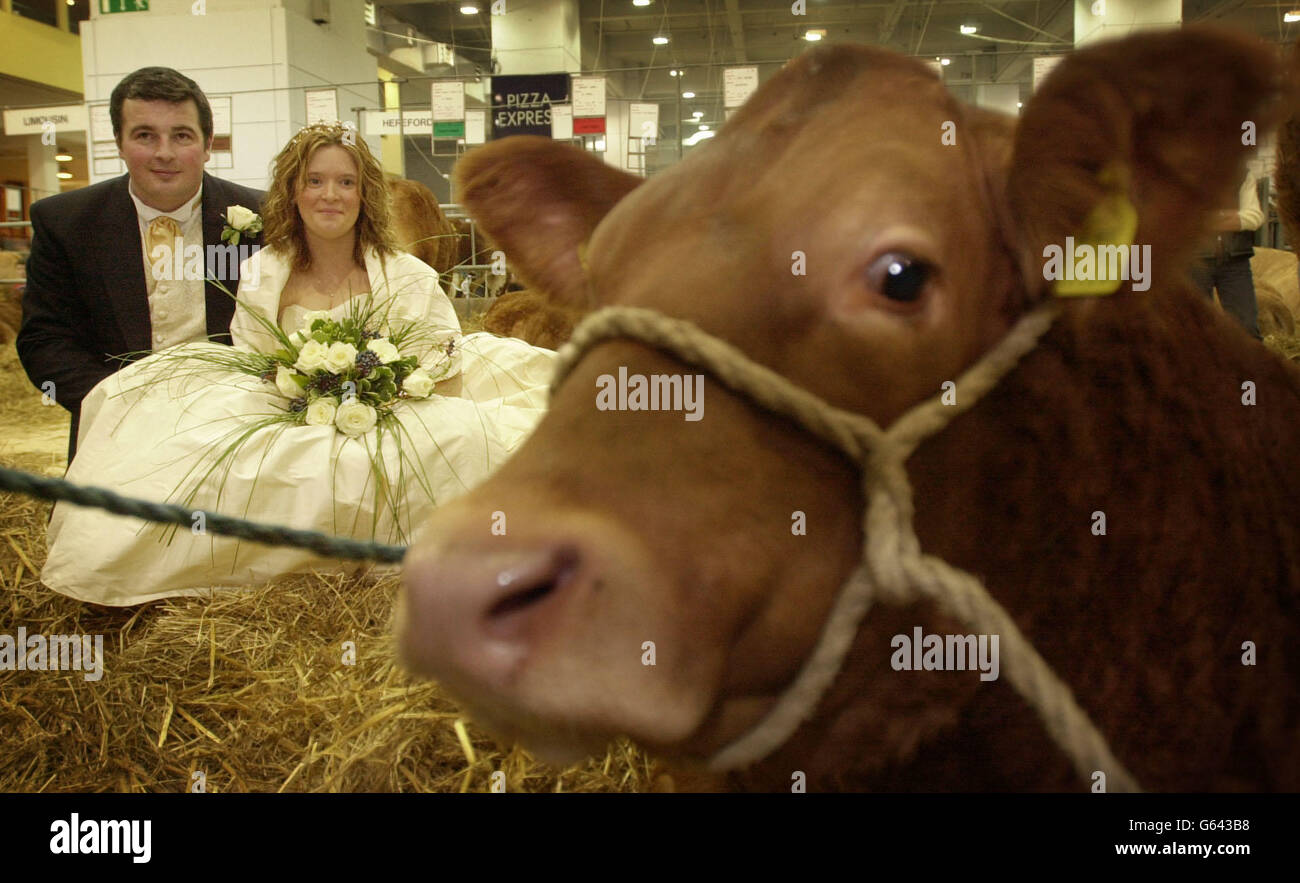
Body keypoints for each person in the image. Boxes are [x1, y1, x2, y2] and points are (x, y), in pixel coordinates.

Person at [39, 123, 555, 606]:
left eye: (345, 182)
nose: (330, 195)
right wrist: (301, 394)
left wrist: (375, 395)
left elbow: (435, 365)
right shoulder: (263, 271)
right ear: (293, 191)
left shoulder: (407, 274)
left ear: (363, 194)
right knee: (184, 438)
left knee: (461, 444)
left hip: (395, 406)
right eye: (315, 180)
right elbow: (253, 360)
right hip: (289, 407)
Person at [17, 67, 266, 461]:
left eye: (181, 135)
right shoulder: (65, 222)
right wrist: (117, 406)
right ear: (119, 142)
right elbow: (45, 340)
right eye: (145, 135)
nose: (163, 152)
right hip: (113, 431)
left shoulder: (266, 216)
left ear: (206, 145)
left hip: (239, 431)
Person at [1188, 168, 1264, 339]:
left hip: (1235, 262)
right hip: (1194, 262)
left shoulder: (1243, 173)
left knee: (1247, 327)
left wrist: (1213, 220)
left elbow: (1255, 216)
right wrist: (1229, 218)